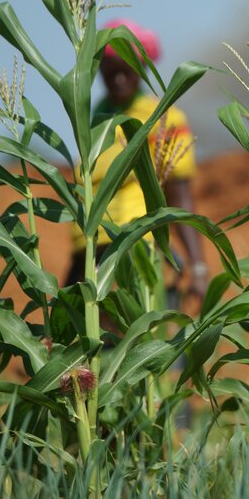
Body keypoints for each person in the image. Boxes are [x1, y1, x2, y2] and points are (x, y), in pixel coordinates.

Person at [64, 18, 209, 300]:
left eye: (126, 70)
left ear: (141, 68)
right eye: (110, 72)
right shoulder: (92, 126)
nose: (118, 79)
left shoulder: (161, 118)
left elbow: (179, 196)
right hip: (89, 262)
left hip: (139, 252)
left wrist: (198, 266)